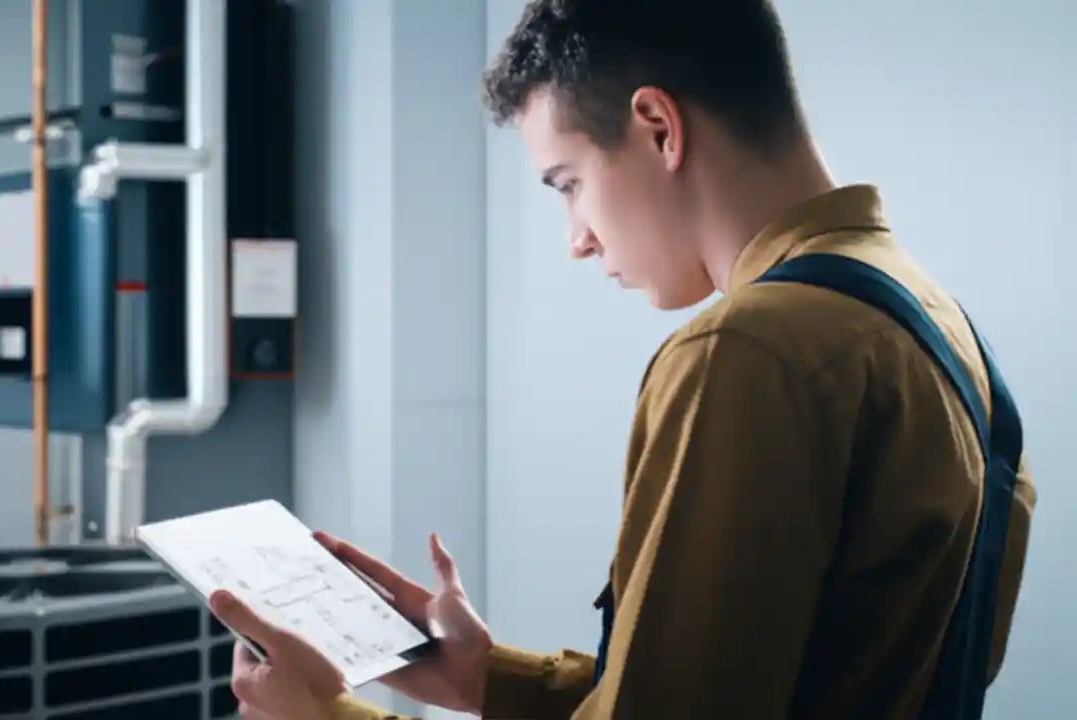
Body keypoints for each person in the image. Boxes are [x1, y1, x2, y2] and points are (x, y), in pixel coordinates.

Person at [208, 0, 1038, 717]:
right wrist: (482, 679)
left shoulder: (747, 349)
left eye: (567, 182)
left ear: (658, 127)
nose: (577, 239)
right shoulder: (933, 323)